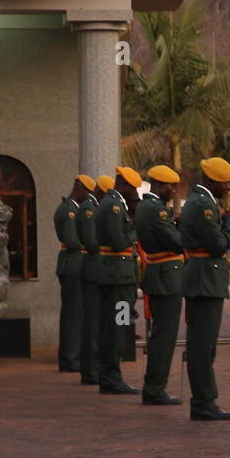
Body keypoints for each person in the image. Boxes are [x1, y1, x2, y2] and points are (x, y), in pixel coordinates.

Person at [181, 157, 230, 421]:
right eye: (224, 182)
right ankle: (204, 401)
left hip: (203, 277)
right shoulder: (204, 204)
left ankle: (203, 399)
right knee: (203, 345)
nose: (227, 187)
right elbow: (217, 245)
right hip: (205, 279)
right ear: (211, 181)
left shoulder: (201, 201)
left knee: (203, 344)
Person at [137, 165, 186, 405]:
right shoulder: (156, 210)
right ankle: (155, 388)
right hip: (167, 276)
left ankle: (154, 386)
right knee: (164, 337)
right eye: (170, 186)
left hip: (159, 273)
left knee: (160, 335)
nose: (173, 191)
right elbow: (177, 244)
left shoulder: (148, 207)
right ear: (157, 185)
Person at [95, 166, 142, 395]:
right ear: (123, 185)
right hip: (117, 277)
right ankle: (112, 376)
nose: (135, 193)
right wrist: (136, 226)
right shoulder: (114, 206)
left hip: (116, 275)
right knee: (116, 327)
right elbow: (118, 241)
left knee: (114, 326)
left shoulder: (112, 203)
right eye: (133, 188)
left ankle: (110, 374)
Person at [53, 176, 89, 373]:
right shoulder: (69, 210)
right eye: (87, 192)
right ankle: (69, 358)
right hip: (72, 263)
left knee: (76, 313)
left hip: (74, 263)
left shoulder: (71, 208)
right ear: (80, 189)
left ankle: (72, 356)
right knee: (72, 315)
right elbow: (72, 240)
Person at [77, 175, 103, 386]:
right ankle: (90, 369)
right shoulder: (88, 209)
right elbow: (92, 242)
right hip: (93, 268)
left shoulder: (93, 207)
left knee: (98, 321)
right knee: (91, 322)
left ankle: (94, 365)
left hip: (99, 268)